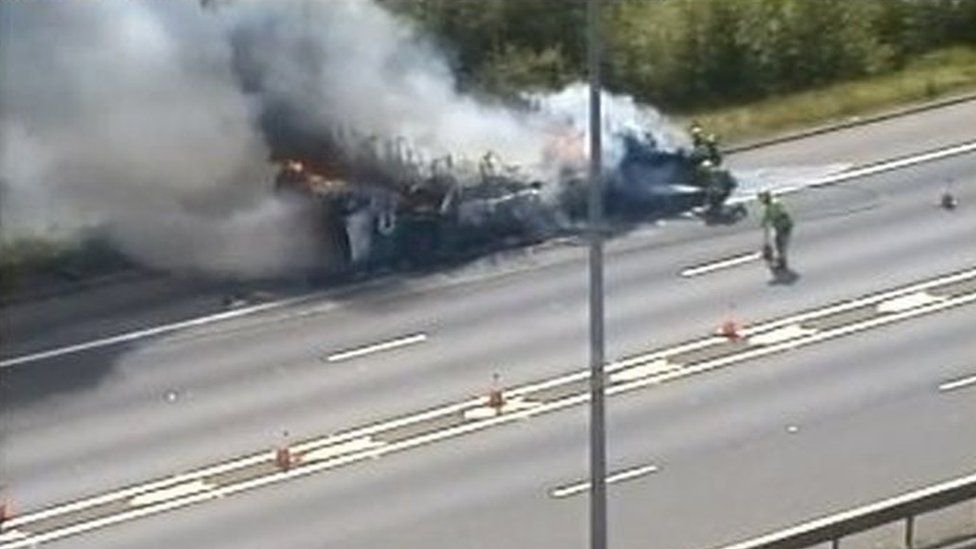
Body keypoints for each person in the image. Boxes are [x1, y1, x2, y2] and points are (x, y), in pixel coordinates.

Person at [759, 191, 793, 270]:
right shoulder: (769, 206)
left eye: (762, 198)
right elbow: (766, 219)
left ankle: (782, 261)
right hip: (780, 226)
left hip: (784, 226)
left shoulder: (774, 204)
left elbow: (776, 214)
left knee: (780, 244)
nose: (761, 201)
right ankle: (781, 260)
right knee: (779, 243)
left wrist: (766, 223)